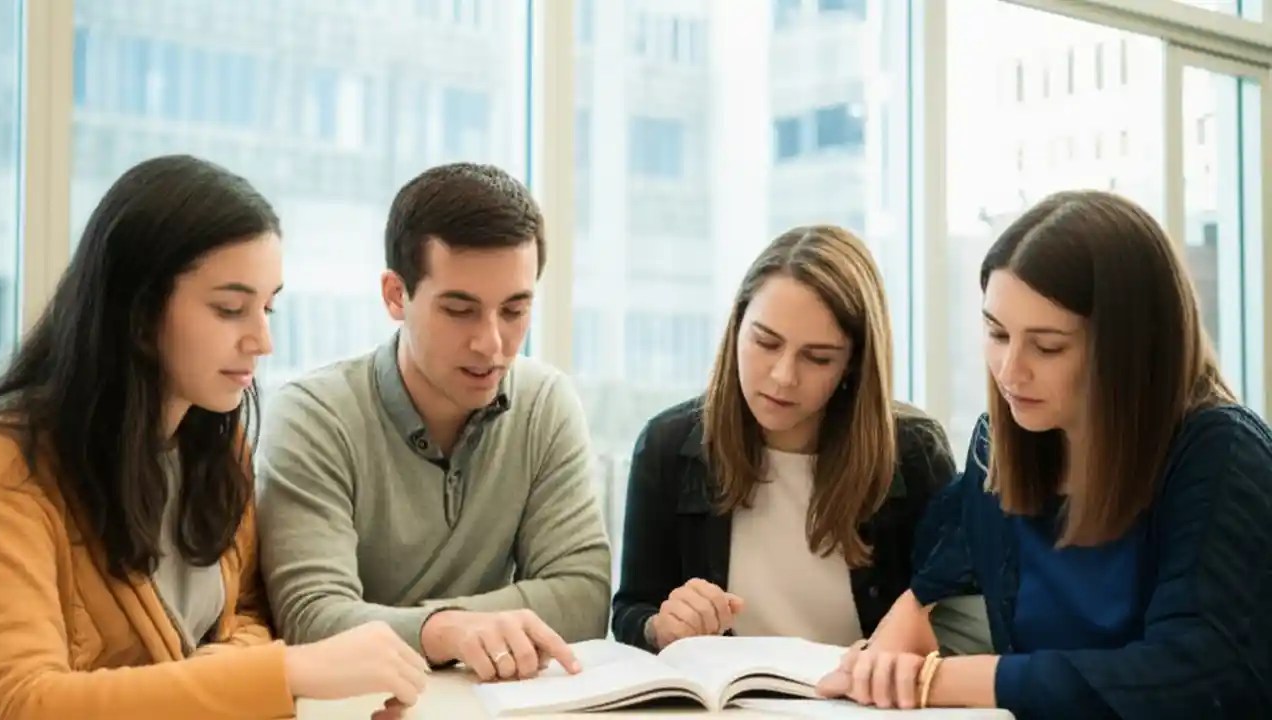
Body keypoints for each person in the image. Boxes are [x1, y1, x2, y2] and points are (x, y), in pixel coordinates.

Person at [0, 155, 428, 720]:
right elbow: (23, 701)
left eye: (268, 306)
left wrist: (239, 675)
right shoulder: (12, 466)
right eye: (230, 309)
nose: (262, 340)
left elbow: (246, 615)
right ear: (140, 312)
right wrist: (285, 671)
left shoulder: (217, 447)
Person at [818, 190, 1272, 718]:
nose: (1010, 371)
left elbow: (1195, 677)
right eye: (996, 333)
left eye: (1048, 346)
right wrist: (908, 613)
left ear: (1128, 348)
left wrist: (939, 681)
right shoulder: (1002, 443)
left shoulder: (1221, 453)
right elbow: (948, 553)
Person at [258, 162, 611, 683]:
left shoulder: (545, 405)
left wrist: (401, 622)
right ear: (395, 296)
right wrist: (445, 630)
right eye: (460, 310)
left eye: (514, 311)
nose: (491, 344)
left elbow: (583, 597)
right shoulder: (314, 416)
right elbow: (312, 619)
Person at [612, 225, 982, 653]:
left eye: (818, 357)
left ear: (853, 366)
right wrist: (662, 626)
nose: (783, 376)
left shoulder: (913, 454)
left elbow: (960, 616)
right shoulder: (667, 446)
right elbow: (630, 612)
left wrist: (900, 654)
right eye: (766, 342)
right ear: (736, 328)